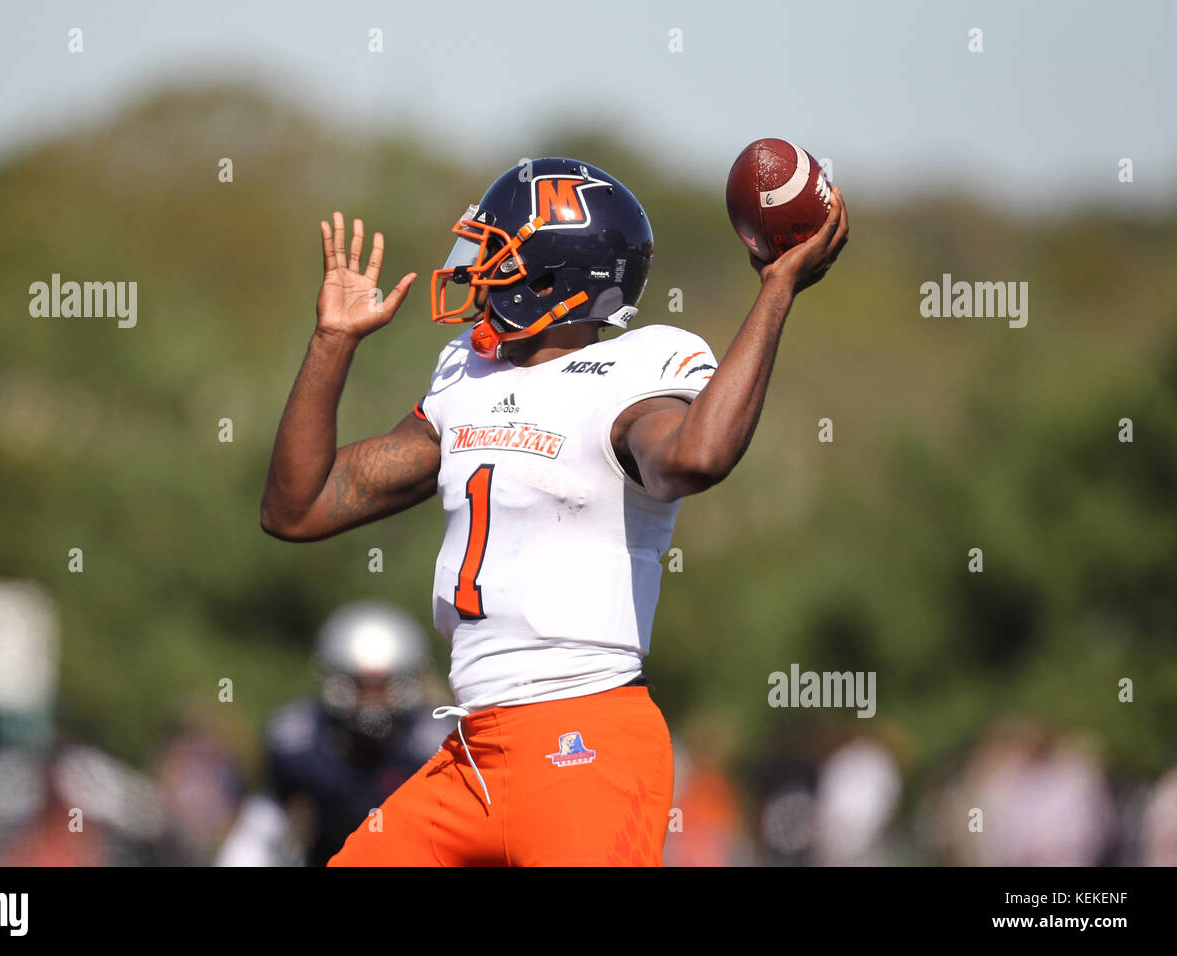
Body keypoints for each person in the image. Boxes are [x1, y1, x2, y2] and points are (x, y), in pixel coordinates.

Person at [261, 157, 847, 865]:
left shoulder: (638, 369)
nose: (475, 269)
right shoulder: (467, 375)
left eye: (497, 252)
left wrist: (776, 291)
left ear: (556, 276)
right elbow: (297, 508)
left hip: (586, 739)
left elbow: (695, 458)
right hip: (472, 752)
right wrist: (332, 343)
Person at [260, 601, 447, 865]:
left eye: (382, 688)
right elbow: (264, 825)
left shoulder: (434, 744)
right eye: (362, 687)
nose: (371, 704)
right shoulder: (298, 742)